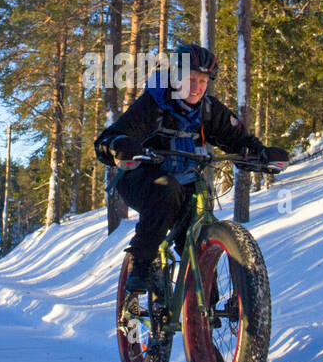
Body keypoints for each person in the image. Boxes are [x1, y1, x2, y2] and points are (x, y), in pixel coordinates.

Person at [93, 43, 288, 297]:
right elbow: (109, 140)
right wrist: (120, 146)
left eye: (203, 81)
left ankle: (203, 292)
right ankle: (141, 264)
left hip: (184, 181)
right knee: (166, 190)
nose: (197, 87)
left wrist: (261, 155)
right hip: (140, 178)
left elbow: (238, 139)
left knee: (198, 208)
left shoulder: (209, 110)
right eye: (191, 78)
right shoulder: (155, 103)